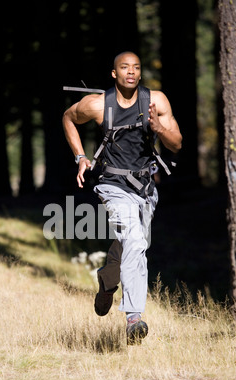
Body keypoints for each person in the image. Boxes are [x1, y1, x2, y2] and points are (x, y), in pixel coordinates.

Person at [62, 51, 182, 345]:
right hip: (112, 185)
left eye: (136, 67)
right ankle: (134, 317)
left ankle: (107, 281)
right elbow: (67, 117)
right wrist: (80, 157)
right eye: (124, 67)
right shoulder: (97, 104)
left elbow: (176, 144)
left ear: (140, 74)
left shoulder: (157, 101)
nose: (131, 71)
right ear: (114, 73)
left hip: (145, 190)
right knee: (136, 241)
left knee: (131, 243)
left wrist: (160, 129)